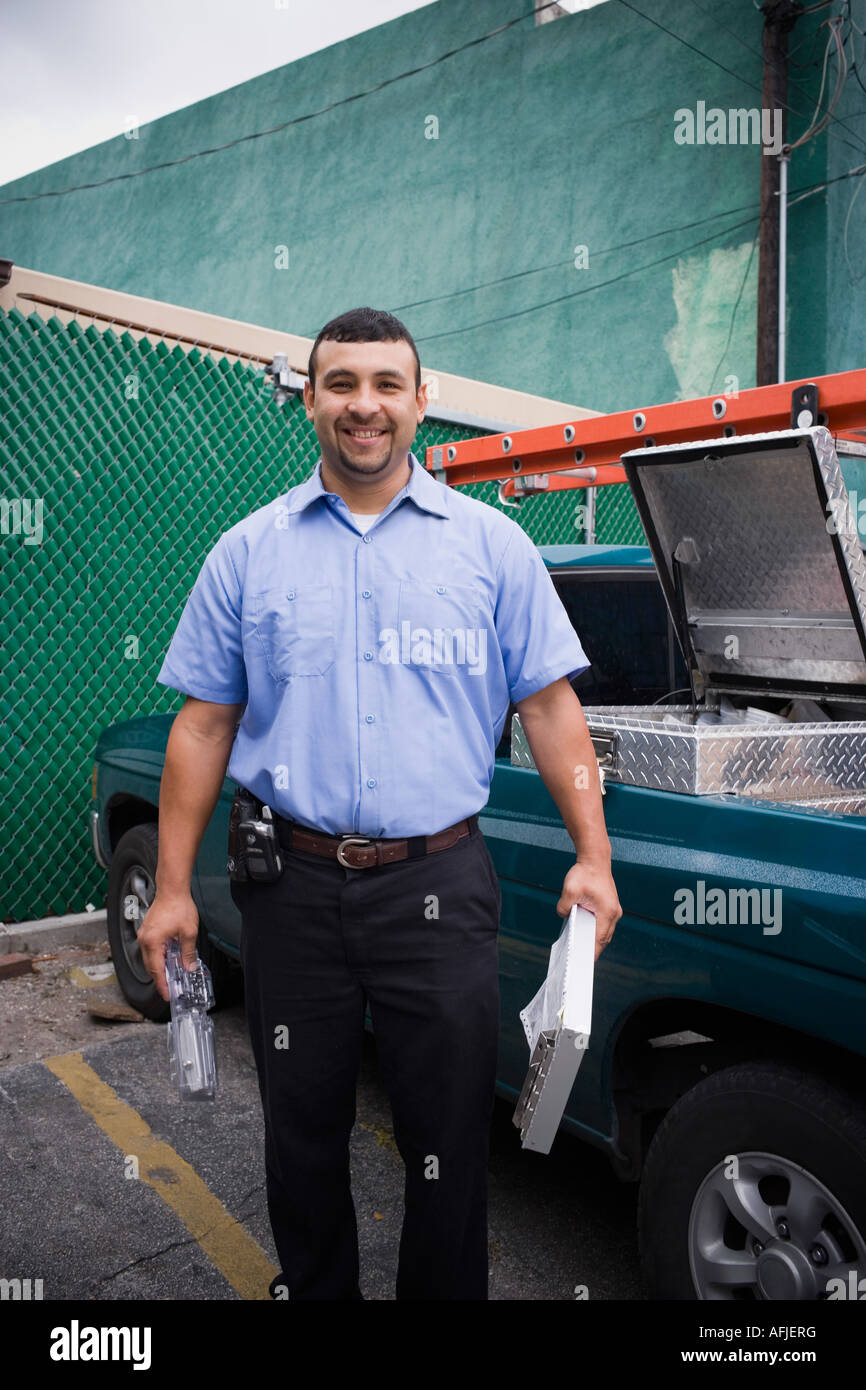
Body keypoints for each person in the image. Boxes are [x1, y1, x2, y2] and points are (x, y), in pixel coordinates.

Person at [139, 306, 622, 1301]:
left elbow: (549, 707)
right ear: (311, 398)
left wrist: (594, 853)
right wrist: (172, 889)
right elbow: (200, 725)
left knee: (446, 1134)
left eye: (385, 385)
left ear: (420, 400)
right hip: (292, 889)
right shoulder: (247, 551)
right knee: (300, 1126)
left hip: (437, 882)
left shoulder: (490, 548)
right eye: (342, 384)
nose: (365, 406)